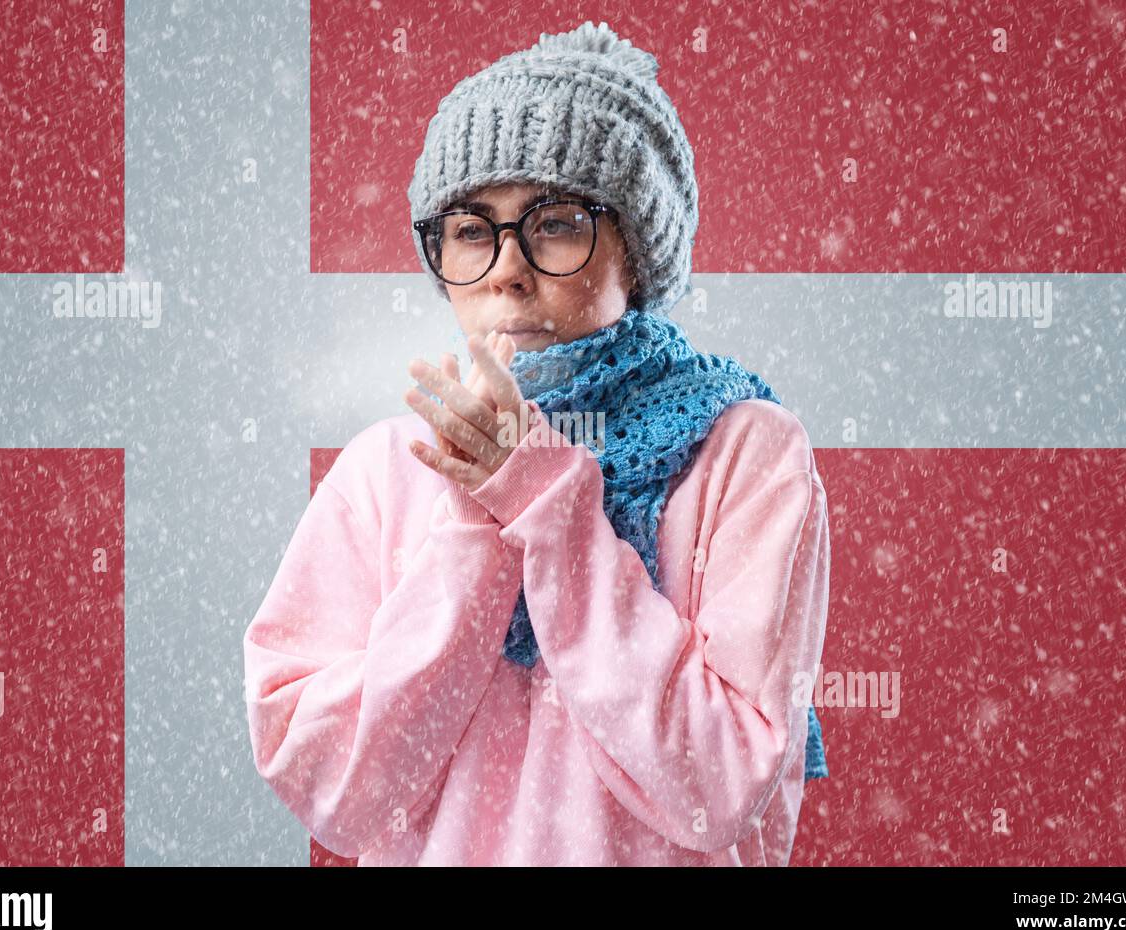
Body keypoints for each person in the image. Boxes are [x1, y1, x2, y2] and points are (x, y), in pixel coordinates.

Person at [244, 20, 830, 866]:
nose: (507, 269)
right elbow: (334, 786)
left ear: (635, 249)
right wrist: (480, 527)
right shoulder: (386, 471)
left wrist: (544, 501)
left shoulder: (746, 454)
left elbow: (721, 789)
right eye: (473, 230)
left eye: (555, 223)